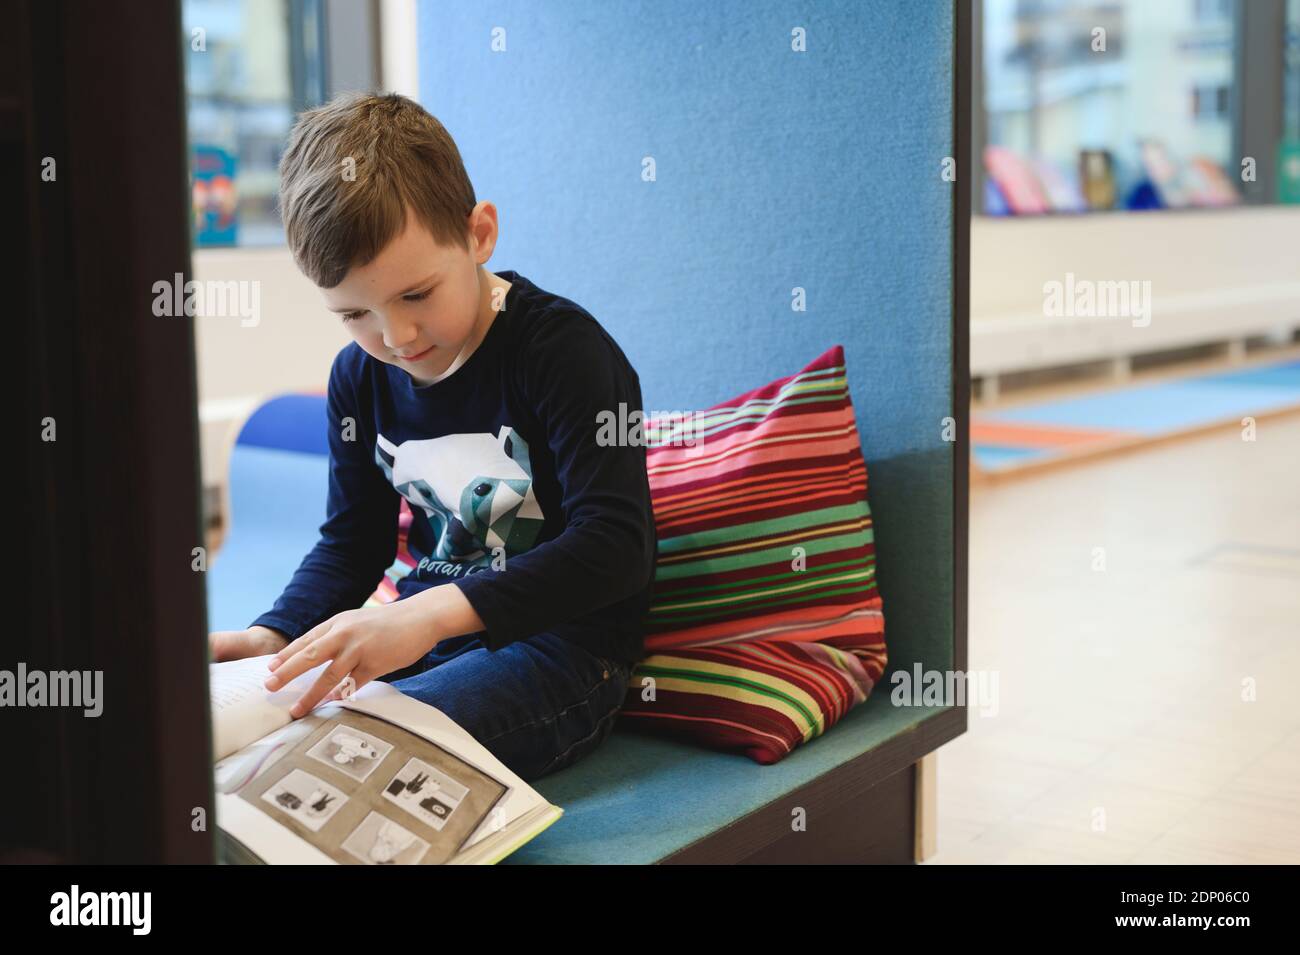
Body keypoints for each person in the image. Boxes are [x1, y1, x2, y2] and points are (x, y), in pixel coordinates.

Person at [208, 92, 656, 782]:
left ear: (479, 234)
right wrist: (276, 632)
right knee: (247, 745)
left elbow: (616, 546)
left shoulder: (561, 350)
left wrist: (426, 619)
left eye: (417, 294)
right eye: (355, 312)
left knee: (349, 757)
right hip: (422, 633)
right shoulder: (359, 378)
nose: (397, 337)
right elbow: (351, 543)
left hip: (560, 649)